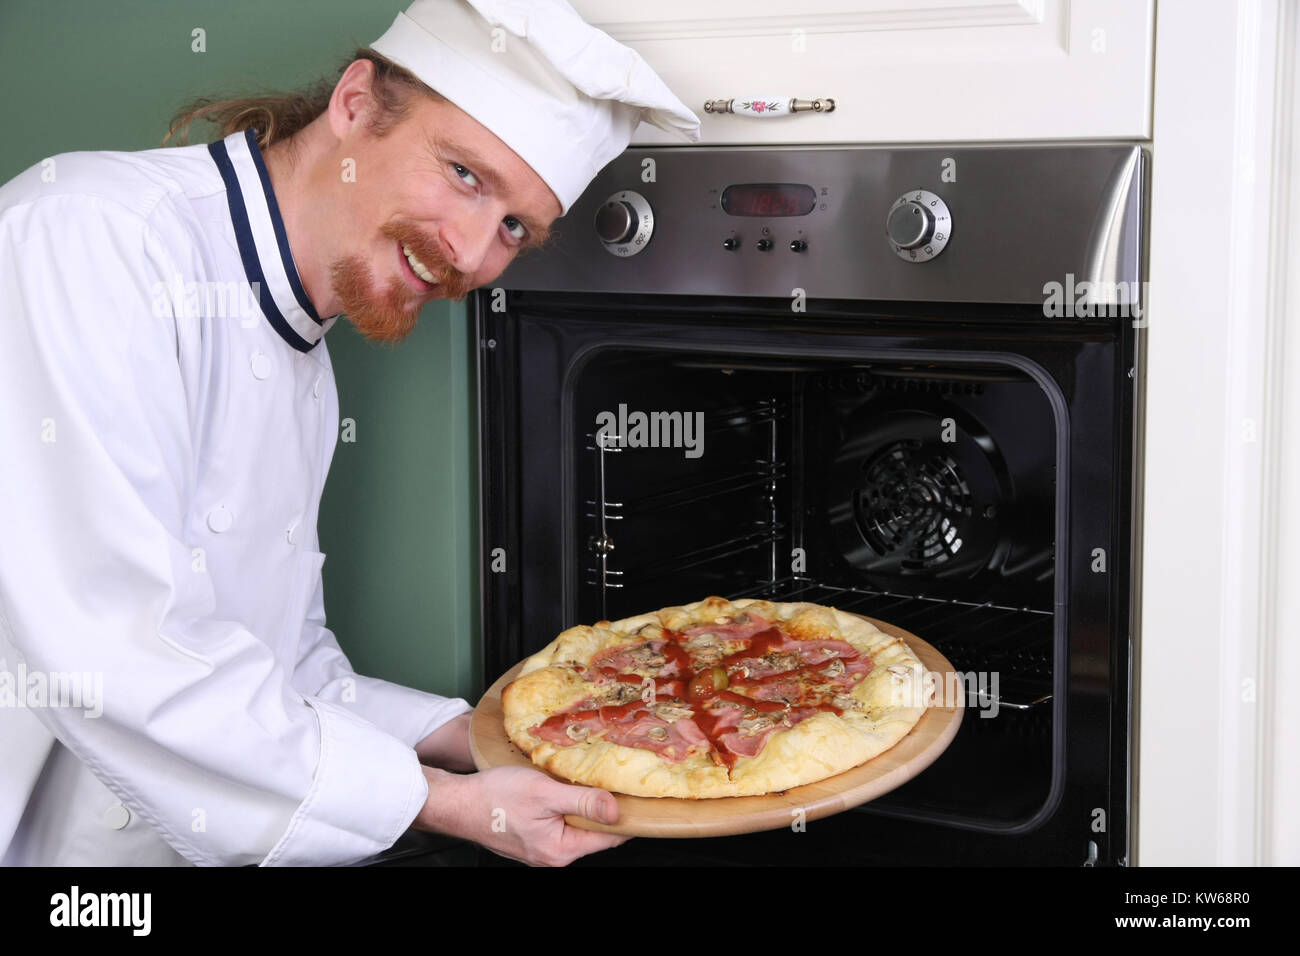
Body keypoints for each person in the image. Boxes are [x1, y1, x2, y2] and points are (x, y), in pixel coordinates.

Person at [0, 0, 699, 866]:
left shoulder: (305, 358)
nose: (472, 255)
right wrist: (447, 805)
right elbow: (113, 652)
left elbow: (278, 666)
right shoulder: (93, 237)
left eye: (517, 228)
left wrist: (491, 734)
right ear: (356, 103)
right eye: (465, 175)